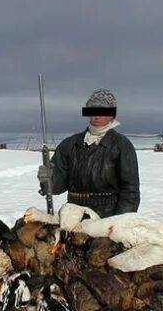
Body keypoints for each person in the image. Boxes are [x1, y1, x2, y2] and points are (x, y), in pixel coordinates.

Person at [37, 88, 140, 218]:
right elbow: (56, 187)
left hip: (107, 216)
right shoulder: (69, 145)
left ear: (112, 115)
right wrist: (48, 179)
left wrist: (119, 221)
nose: (97, 116)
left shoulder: (122, 146)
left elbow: (130, 191)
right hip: (73, 214)